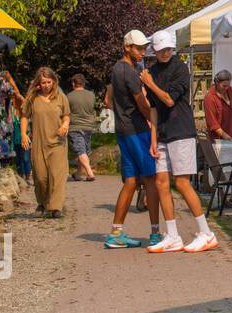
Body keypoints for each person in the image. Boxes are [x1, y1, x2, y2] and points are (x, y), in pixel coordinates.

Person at [138, 30, 218, 253]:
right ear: (154, 49)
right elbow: (154, 108)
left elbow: (169, 99)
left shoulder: (180, 68)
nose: (165, 53)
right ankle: (172, 235)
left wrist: (150, 83)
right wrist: (153, 139)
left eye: (168, 49)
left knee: (182, 182)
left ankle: (206, 232)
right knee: (162, 182)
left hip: (181, 132)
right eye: (161, 49)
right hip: (163, 133)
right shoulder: (151, 71)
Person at [103, 30, 162, 248]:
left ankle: (116, 232)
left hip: (123, 130)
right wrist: (156, 122)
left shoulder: (117, 68)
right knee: (150, 180)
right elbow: (143, 104)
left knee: (130, 181)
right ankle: (155, 233)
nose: (143, 52)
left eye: (144, 47)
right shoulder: (128, 71)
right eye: (138, 48)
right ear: (127, 47)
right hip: (137, 130)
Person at [19, 67, 70, 218]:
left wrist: (65, 124)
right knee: (40, 177)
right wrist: (23, 134)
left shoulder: (61, 97)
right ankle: (42, 203)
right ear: (38, 84)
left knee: (56, 176)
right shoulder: (32, 99)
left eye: (49, 82)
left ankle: (55, 208)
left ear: (54, 81)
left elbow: (66, 115)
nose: (47, 85)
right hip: (39, 143)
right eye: (43, 82)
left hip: (57, 143)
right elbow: (24, 116)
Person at [66, 73, 98, 182]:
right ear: (83, 83)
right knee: (83, 150)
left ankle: (90, 173)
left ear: (73, 83)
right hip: (89, 126)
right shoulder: (91, 95)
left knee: (80, 151)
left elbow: (66, 112)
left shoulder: (69, 96)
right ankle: (78, 174)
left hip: (75, 126)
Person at [203, 70, 232, 141]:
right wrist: (224, 135)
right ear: (216, 83)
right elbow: (212, 122)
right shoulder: (210, 98)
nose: (226, 88)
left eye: (228, 85)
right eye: (224, 86)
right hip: (219, 139)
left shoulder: (230, 90)